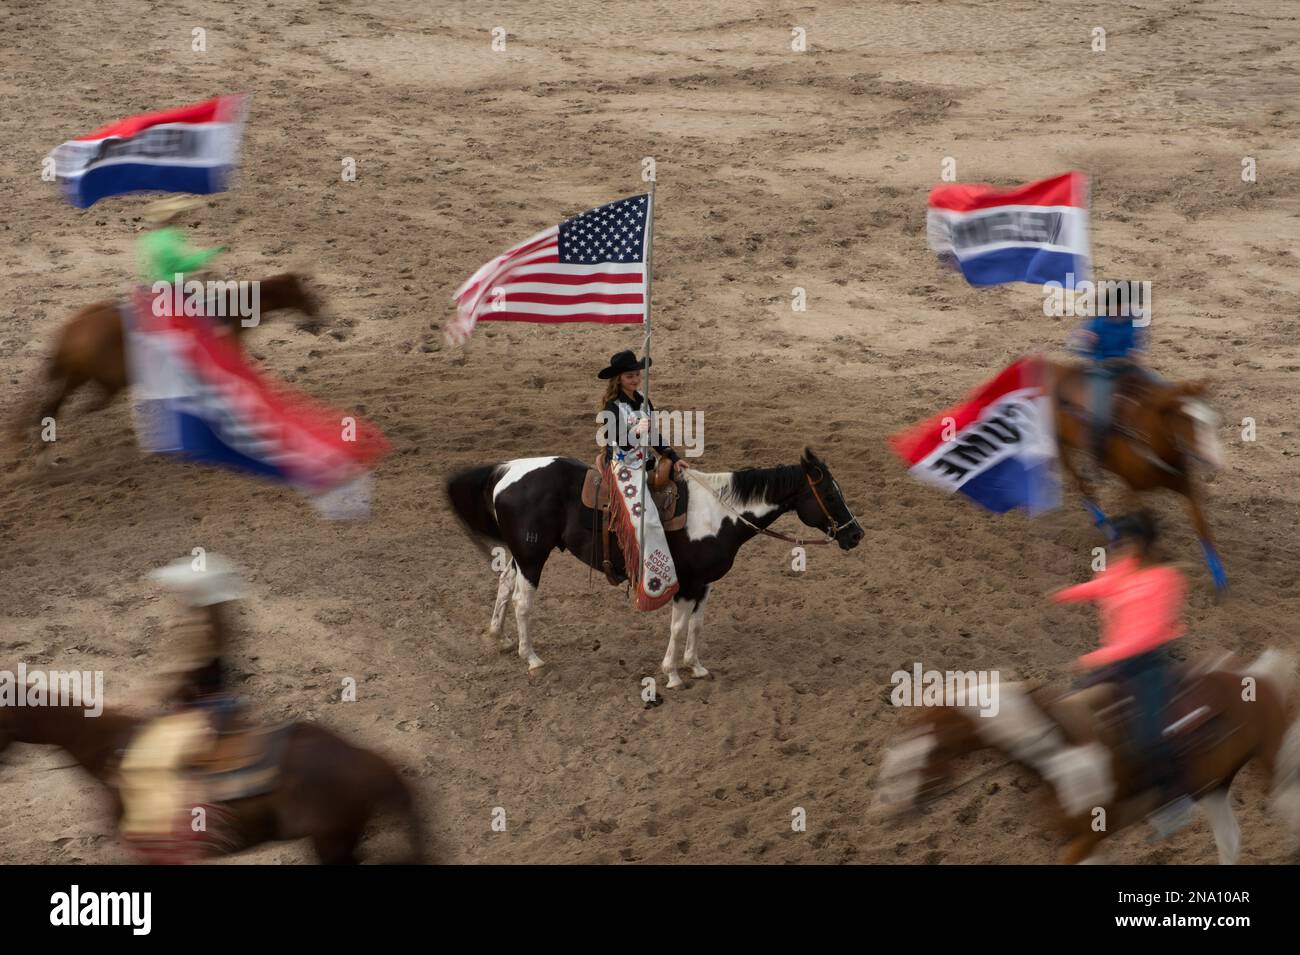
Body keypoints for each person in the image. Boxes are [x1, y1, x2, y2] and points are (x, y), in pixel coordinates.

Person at [1049, 510, 1195, 837]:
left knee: (1148, 735)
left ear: (1141, 544)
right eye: (1119, 542)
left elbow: (1144, 636)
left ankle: (1174, 803)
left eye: (1125, 542)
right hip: (1115, 665)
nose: (1120, 548)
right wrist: (1063, 594)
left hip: (1146, 664)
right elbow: (1100, 587)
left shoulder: (1165, 580)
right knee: (1074, 712)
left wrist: (1098, 657)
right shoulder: (1123, 571)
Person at [1066, 285, 1147, 464]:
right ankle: (1094, 459)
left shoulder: (1135, 321)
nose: (1122, 308)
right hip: (1103, 372)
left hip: (1129, 369)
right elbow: (1074, 346)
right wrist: (1085, 342)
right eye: (1119, 304)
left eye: (1125, 304)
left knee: (1164, 388)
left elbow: (1139, 345)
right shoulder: (1096, 324)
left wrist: (1136, 352)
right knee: (1100, 417)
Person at [597, 350, 688, 478]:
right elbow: (619, 441)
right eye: (629, 376)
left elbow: (653, 435)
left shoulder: (644, 400)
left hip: (645, 461)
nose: (635, 379)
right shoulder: (611, 406)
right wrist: (638, 431)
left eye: (637, 374)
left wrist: (674, 457)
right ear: (618, 380)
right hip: (620, 464)